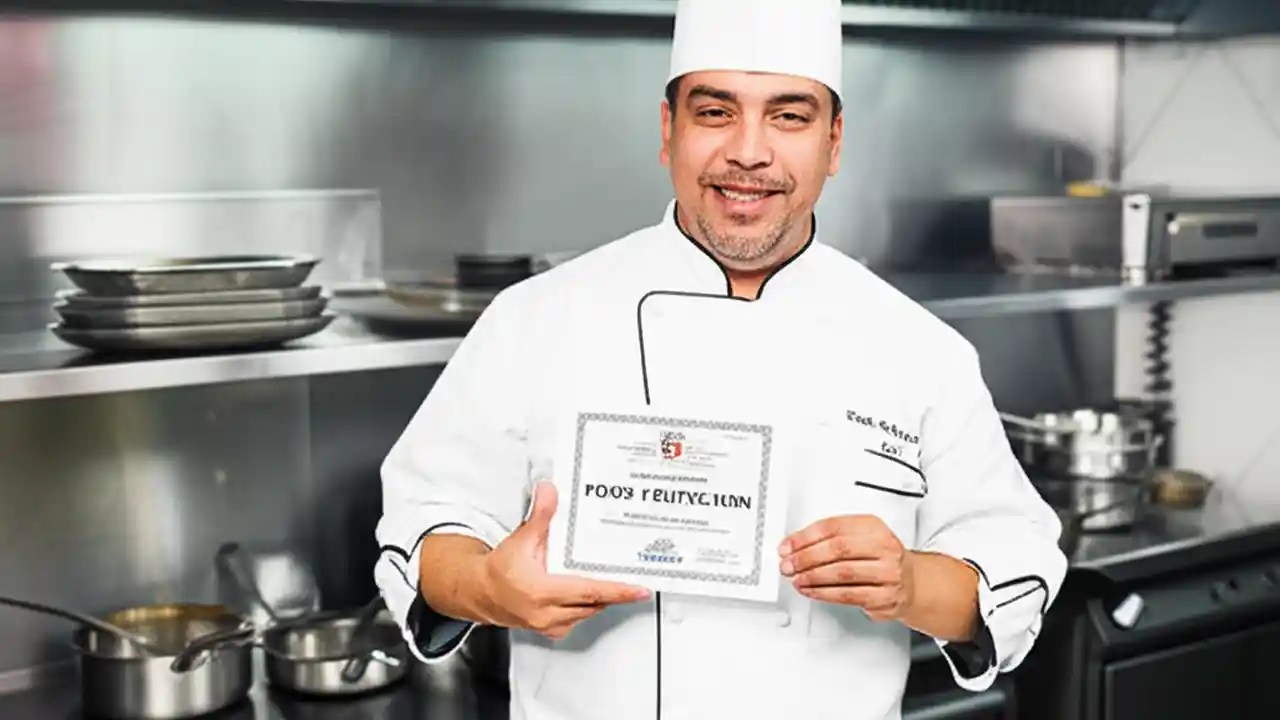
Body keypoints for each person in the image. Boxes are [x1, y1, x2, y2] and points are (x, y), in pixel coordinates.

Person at [373, 0, 1067, 718]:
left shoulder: (920, 350)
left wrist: (912, 585)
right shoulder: (536, 319)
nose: (749, 153)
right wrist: (489, 585)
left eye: (789, 117)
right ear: (668, 132)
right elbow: (423, 525)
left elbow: (1013, 568)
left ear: (834, 143)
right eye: (715, 112)